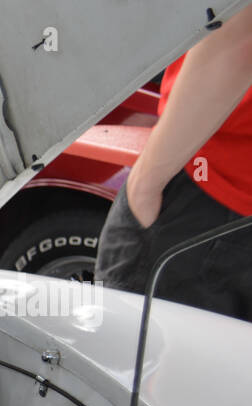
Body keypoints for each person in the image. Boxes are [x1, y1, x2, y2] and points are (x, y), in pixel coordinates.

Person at [96, 6, 252, 319]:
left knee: (140, 353)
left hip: (207, 191)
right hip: (221, 197)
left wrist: (147, 181)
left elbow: (238, 42)